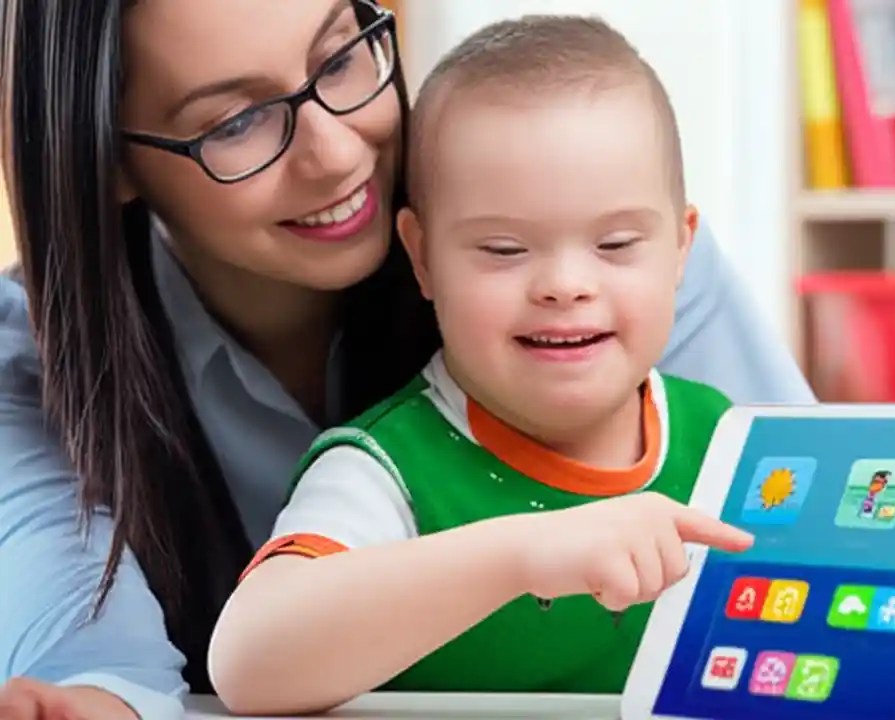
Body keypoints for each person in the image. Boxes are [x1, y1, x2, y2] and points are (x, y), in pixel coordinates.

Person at [0, 1, 895, 719]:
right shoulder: (380, 461)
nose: (339, 151)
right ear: (108, 161)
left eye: (342, 55)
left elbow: (821, 567)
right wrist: (525, 551)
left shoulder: (608, 256)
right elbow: (142, 666)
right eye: (234, 122)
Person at [207, 16, 759, 714]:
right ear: (422, 257)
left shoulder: (728, 441)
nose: (565, 285)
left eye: (616, 244)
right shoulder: (385, 470)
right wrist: (524, 555)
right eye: (504, 250)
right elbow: (247, 663)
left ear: (681, 249)